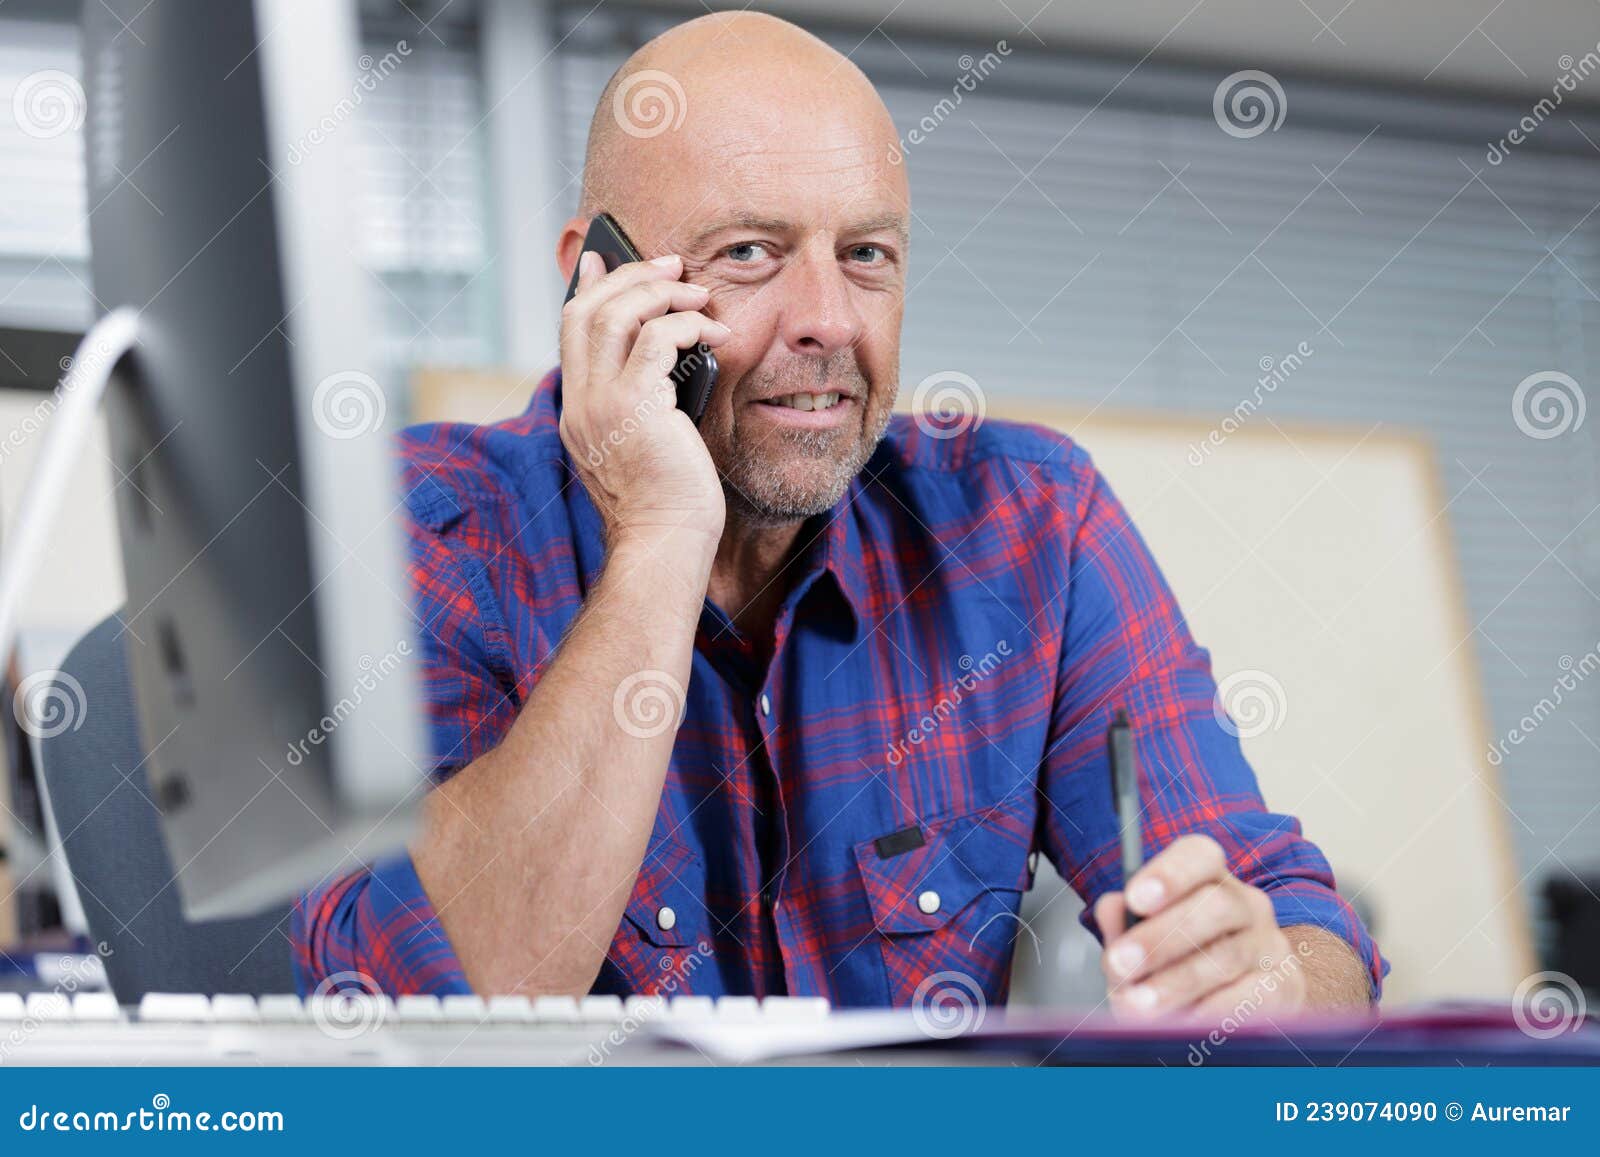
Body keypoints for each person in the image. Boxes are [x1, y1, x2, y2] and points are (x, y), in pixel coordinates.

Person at [292, 11, 1384, 1018]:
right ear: (596, 281)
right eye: (749, 253)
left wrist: (1272, 981)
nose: (826, 320)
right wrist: (662, 541)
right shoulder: (420, 530)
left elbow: (1299, 919)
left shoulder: (1030, 526)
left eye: (864, 254)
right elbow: (419, 1008)